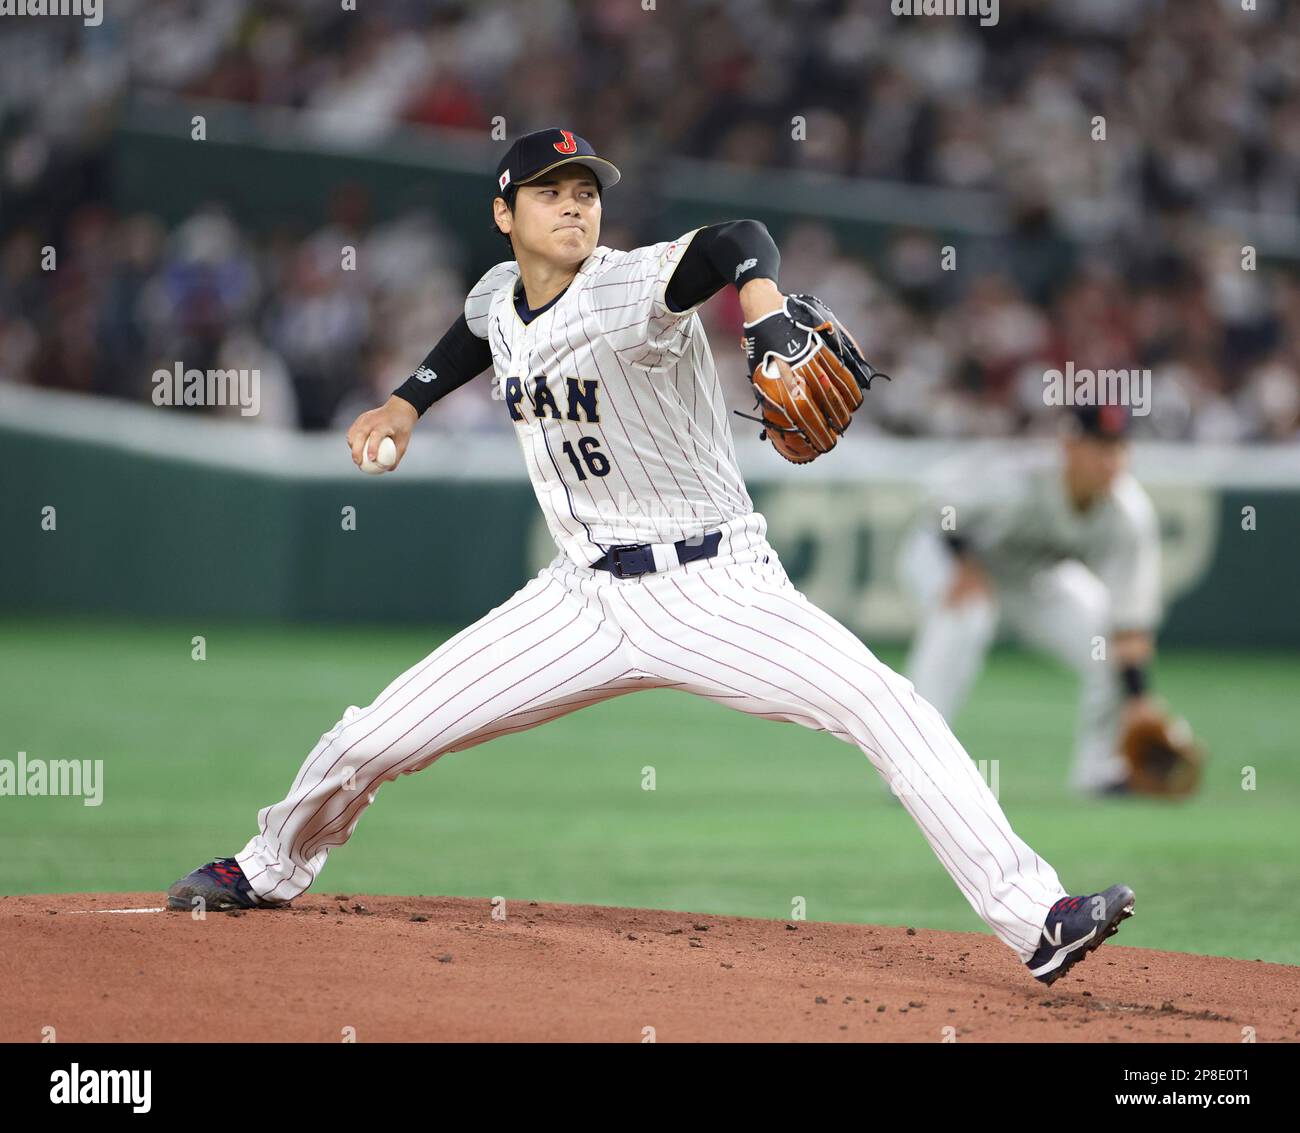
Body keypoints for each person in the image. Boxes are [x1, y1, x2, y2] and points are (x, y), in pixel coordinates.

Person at [167, 129, 1135, 985]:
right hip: (580, 598)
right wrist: (405, 401)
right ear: (504, 212)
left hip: (717, 585)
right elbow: (474, 331)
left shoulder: (630, 285)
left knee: (886, 705)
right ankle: (267, 864)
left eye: (586, 190)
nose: (575, 203)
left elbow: (732, 240)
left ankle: (1037, 916)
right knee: (375, 735)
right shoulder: (499, 294)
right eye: (551, 190)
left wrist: (760, 307)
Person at [897, 405, 1165, 796]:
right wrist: (966, 563)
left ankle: (1099, 773)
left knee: (1103, 643)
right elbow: (940, 505)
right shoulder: (1020, 478)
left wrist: (1140, 699)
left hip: (1030, 577)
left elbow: (1130, 619)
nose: (1112, 461)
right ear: (1071, 446)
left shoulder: (1129, 513)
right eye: (1100, 448)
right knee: (967, 618)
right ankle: (912, 765)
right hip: (944, 550)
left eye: (1119, 448)